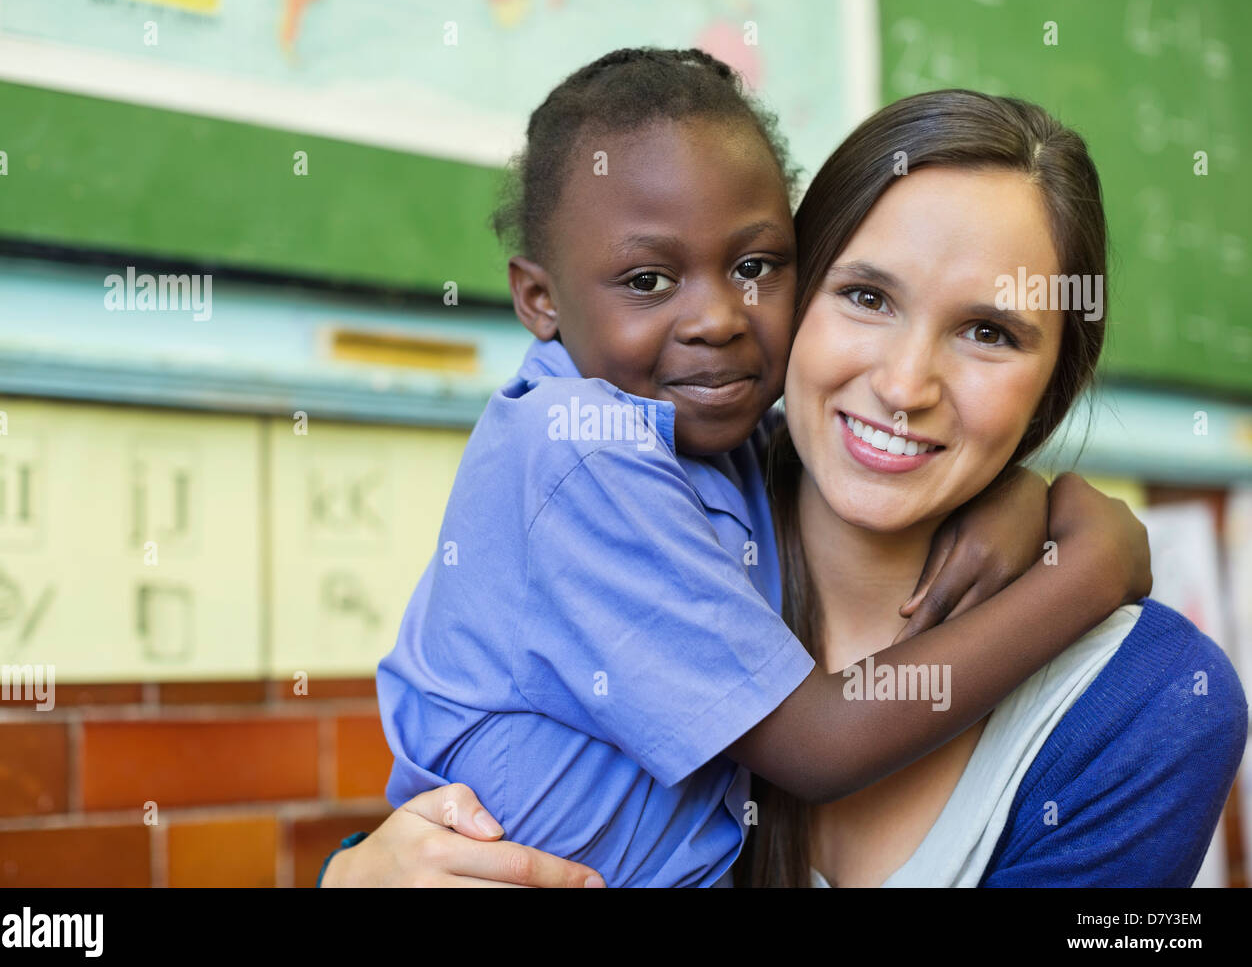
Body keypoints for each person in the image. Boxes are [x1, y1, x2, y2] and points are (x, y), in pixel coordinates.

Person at [324, 69, 1152, 887]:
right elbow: (820, 744)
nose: (719, 319)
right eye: (648, 280)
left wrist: (1031, 497)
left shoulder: (719, 442)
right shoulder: (580, 447)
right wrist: (1090, 569)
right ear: (540, 299)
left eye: (755, 266)